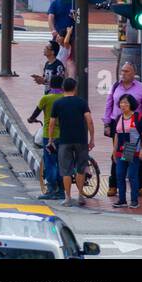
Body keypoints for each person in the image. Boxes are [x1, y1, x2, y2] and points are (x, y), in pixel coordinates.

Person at [103, 62, 142, 198]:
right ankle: (113, 185)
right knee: (116, 154)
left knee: (130, 156)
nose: (123, 74)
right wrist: (107, 123)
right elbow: (109, 104)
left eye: (126, 71)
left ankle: (135, 189)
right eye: (122, 71)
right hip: (118, 124)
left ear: (133, 73)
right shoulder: (115, 86)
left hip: (133, 127)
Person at [48, 77, 95, 207]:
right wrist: (92, 138)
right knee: (81, 169)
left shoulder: (58, 103)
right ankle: (80, 195)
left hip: (64, 141)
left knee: (66, 171)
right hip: (81, 140)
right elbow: (89, 120)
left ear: (63, 88)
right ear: (75, 88)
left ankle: (68, 198)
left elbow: (51, 124)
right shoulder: (81, 102)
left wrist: (51, 140)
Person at [28, 73, 66, 200]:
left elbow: (35, 113)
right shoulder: (65, 98)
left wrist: (31, 119)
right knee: (61, 162)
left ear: (50, 85)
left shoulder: (46, 98)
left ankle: (51, 189)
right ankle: (61, 191)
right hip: (64, 136)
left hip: (49, 135)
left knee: (50, 163)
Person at [111, 94, 142, 209]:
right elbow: (116, 135)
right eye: (121, 103)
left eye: (126, 103)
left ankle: (134, 201)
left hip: (131, 148)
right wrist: (114, 151)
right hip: (120, 150)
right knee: (119, 175)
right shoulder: (119, 118)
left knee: (132, 176)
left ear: (131, 104)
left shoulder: (138, 117)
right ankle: (122, 200)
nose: (123, 105)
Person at [47, 0, 76, 70]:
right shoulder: (56, 3)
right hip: (60, 34)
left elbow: (80, 18)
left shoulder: (75, 4)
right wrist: (53, 31)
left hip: (70, 35)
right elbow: (50, 17)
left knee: (70, 57)